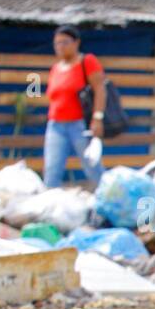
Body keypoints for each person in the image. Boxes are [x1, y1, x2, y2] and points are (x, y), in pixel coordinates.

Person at [43, 25, 105, 189]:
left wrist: (97, 118)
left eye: (65, 42)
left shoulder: (87, 61)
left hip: (79, 125)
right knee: (52, 169)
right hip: (56, 125)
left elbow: (100, 89)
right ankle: (49, 209)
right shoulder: (56, 68)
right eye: (57, 44)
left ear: (76, 42)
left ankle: (112, 201)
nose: (61, 47)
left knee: (92, 166)